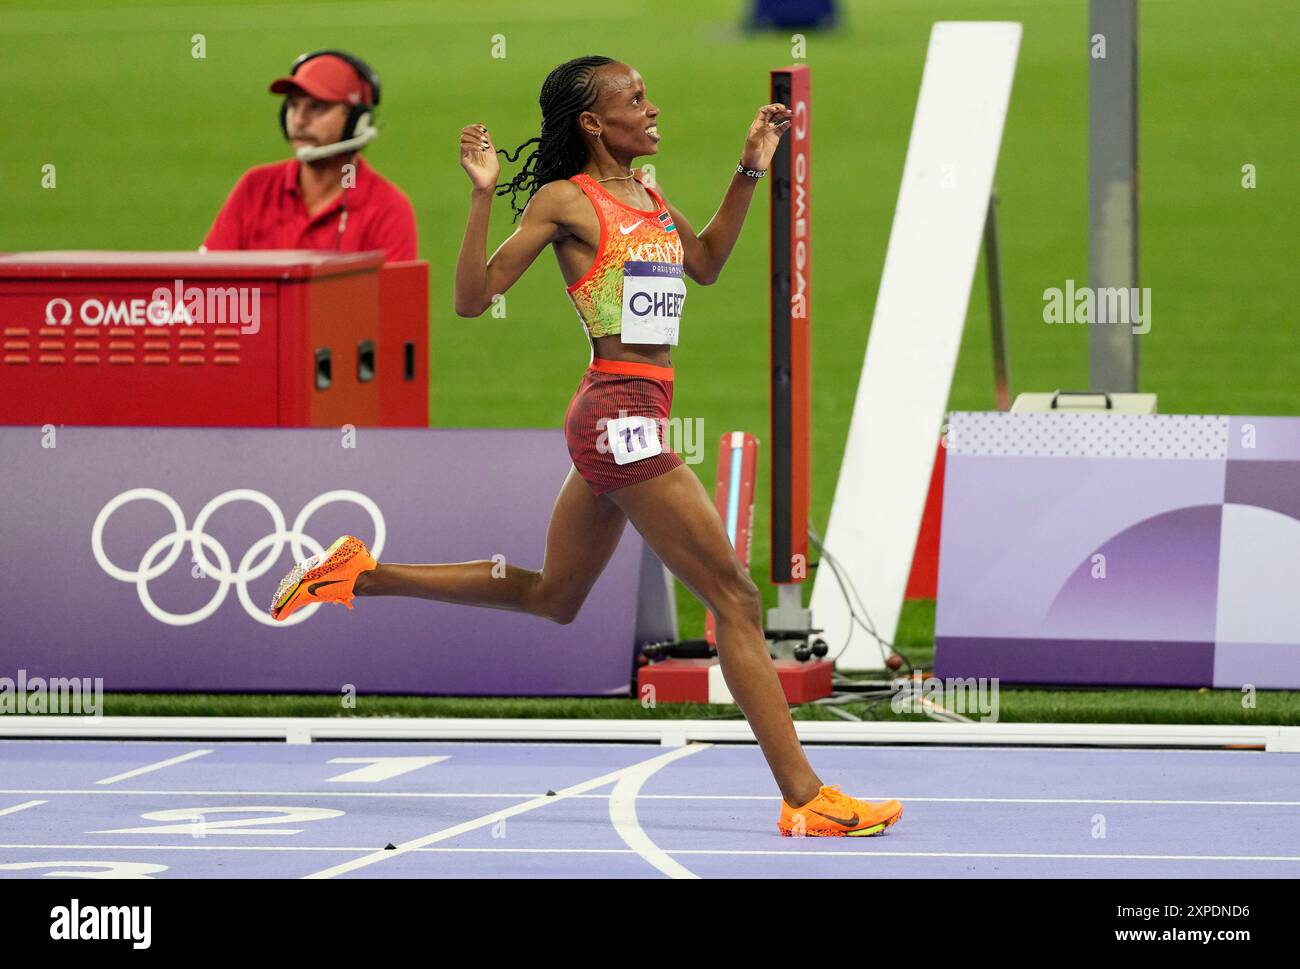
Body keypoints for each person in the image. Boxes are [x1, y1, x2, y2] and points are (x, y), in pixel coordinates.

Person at [268, 56, 903, 838]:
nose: (653, 106)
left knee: (554, 597)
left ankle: (359, 573)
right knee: (735, 597)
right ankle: (806, 797)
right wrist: (478, 194)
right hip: (618, 414)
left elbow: (702, 265)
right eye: (636, 99)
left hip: (632, 412)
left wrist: (748, 169)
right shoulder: (567, 200)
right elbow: (473, 300)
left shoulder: (648, 191)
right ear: (595, 123)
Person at [202, 50, 417, 262]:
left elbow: (395, 297)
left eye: (316, 107)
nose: (299, 120)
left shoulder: (388, 209)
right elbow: (205, 285)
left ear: (356, 122)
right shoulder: (255, 188)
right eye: (294, 106)